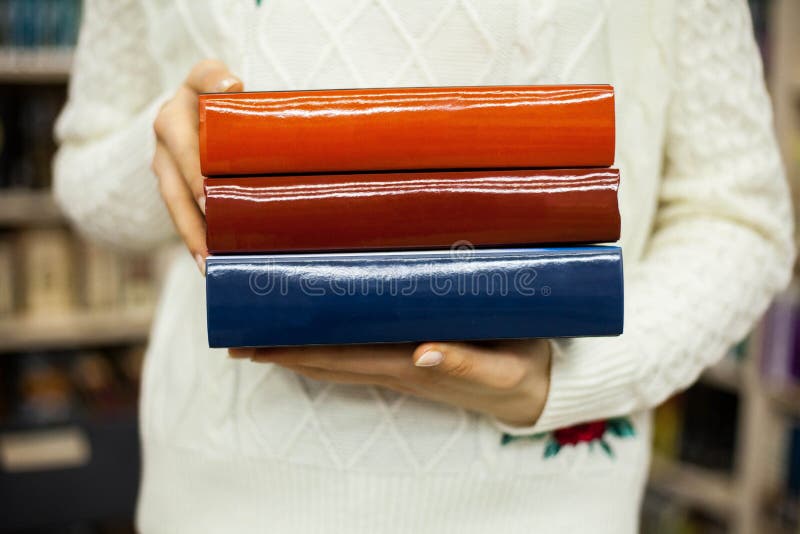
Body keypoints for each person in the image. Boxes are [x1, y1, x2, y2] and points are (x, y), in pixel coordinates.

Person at [53, 1, 794, 532]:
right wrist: (181, 153)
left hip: (538, 506)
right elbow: (85, 172)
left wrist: (569, 379)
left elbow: (740, 216)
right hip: (215, 497)